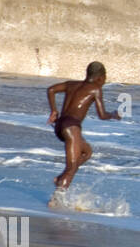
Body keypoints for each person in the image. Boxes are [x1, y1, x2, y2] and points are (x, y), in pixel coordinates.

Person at [45, 62, 120, 203]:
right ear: (100, 78)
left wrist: (54, 111)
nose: (103, 82)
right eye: (104, 79)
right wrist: (114, 115)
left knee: (87, 152)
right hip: (72, 127)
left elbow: (51, 90)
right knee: (71, 167)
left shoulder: (71, 84)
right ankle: (56, 198)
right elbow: (102, 115)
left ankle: (61, 178)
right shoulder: (95, 89)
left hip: (60, 125)